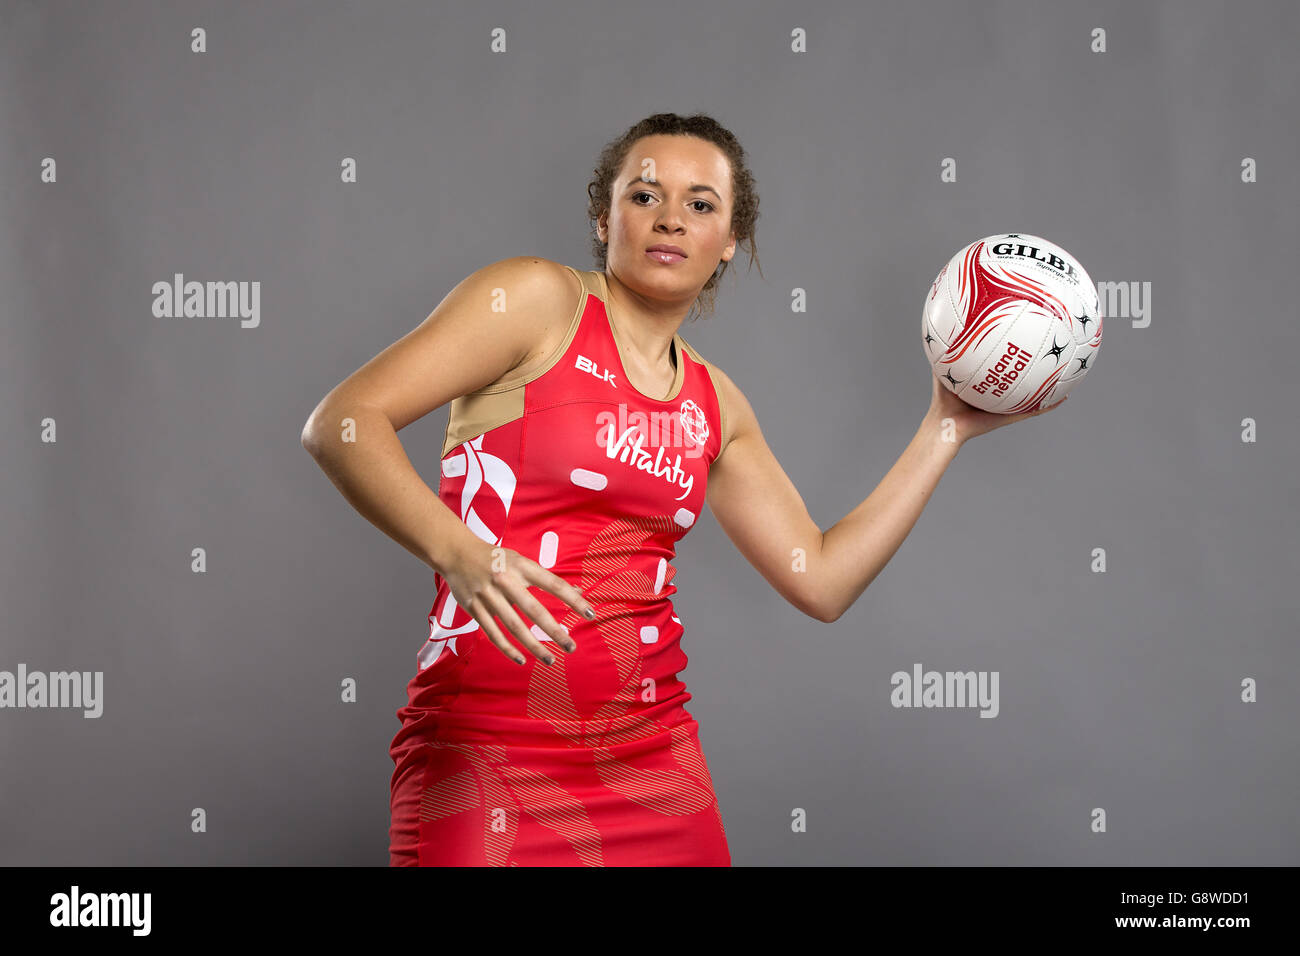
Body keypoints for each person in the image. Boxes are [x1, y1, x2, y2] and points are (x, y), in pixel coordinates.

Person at [300, 112, 1066, 867]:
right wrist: (462, 553)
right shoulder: (533, 302)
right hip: (485, 746)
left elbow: (822, 579)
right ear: (604, 218)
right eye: (644, 195)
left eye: (701, 205)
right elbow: (342, 421)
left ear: (730, 240)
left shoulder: (714, 402)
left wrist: (945, 428)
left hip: (653, 765)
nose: (670, 219)